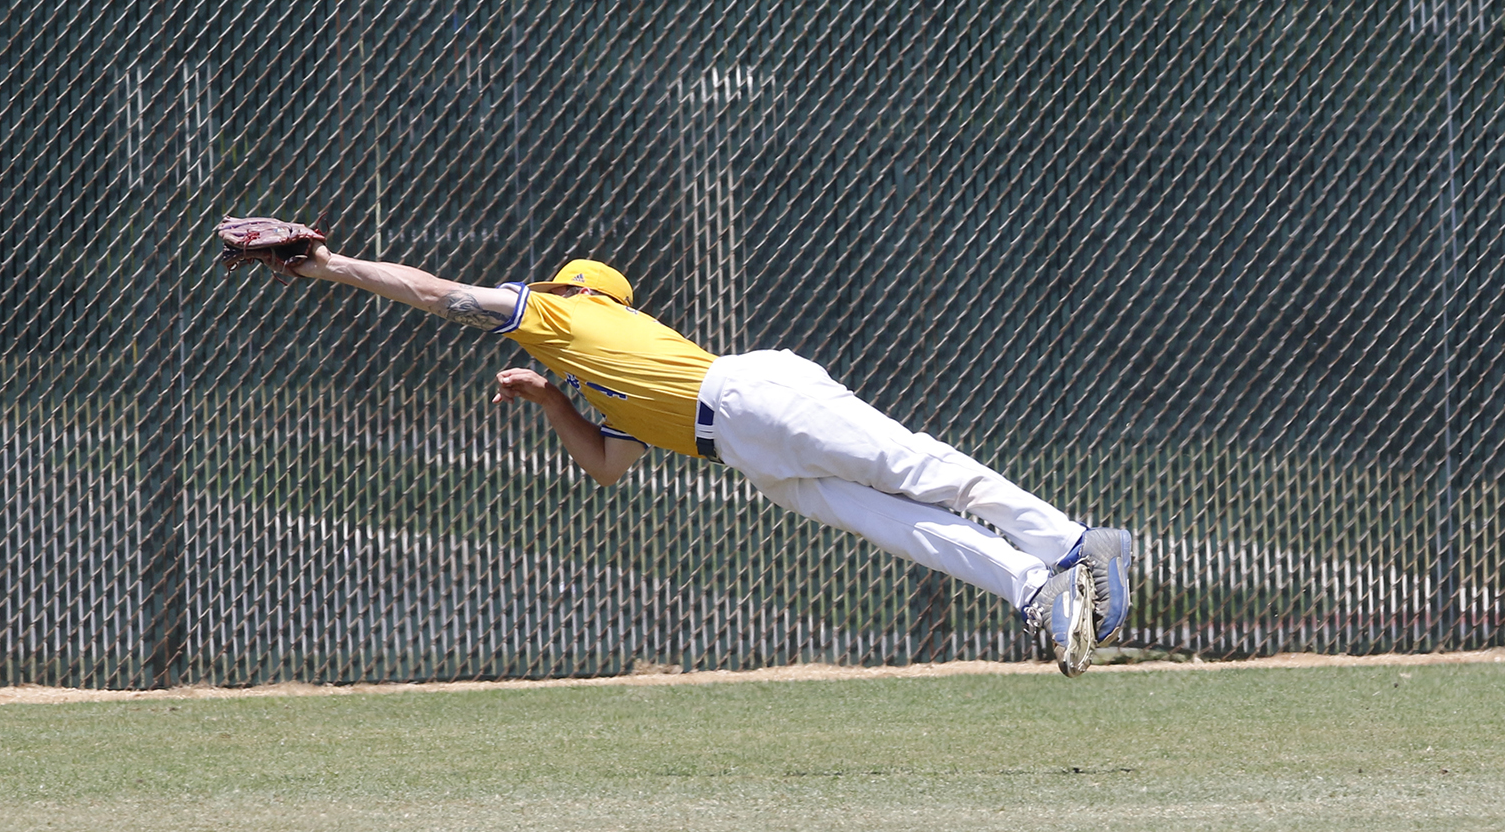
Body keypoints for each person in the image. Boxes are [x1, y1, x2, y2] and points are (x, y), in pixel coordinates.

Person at [282, 239, 1133, 675]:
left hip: (750, 396)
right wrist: (550, 402)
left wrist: (329, 267)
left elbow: (433, 294)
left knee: (917, 469)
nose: (537, 302)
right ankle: (1039, 591)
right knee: (899, 524)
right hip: (741, 447)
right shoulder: (603, 387)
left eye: (553, 292)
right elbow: (608, 469)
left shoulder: (570, 316)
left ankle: (1072, 544)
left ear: (579, 296)